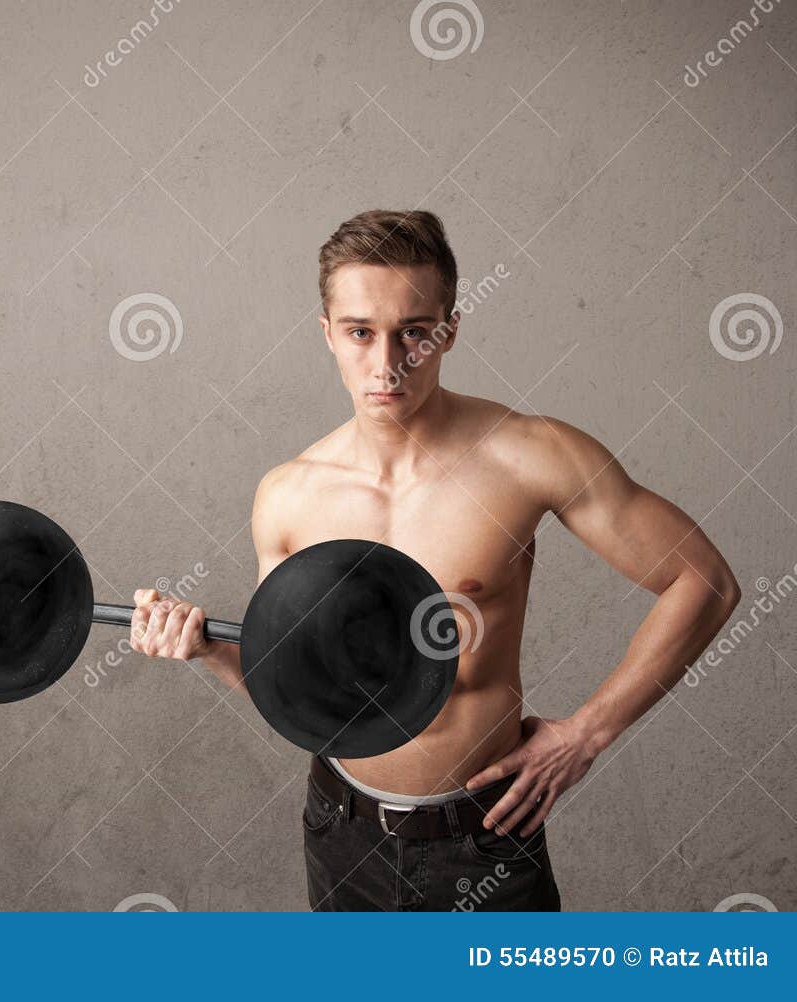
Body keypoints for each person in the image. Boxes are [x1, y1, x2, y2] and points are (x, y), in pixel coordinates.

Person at [128, 209, 741, 911]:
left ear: (450, 329)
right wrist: (204, 649)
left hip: (482, 838)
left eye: (413, 333)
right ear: (328, 334)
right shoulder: (287, 496)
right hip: (339, 831)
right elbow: (296, 691)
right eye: (361, 332)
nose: (387, 365)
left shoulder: (529, 455)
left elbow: (706, 582)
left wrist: (586, 734)